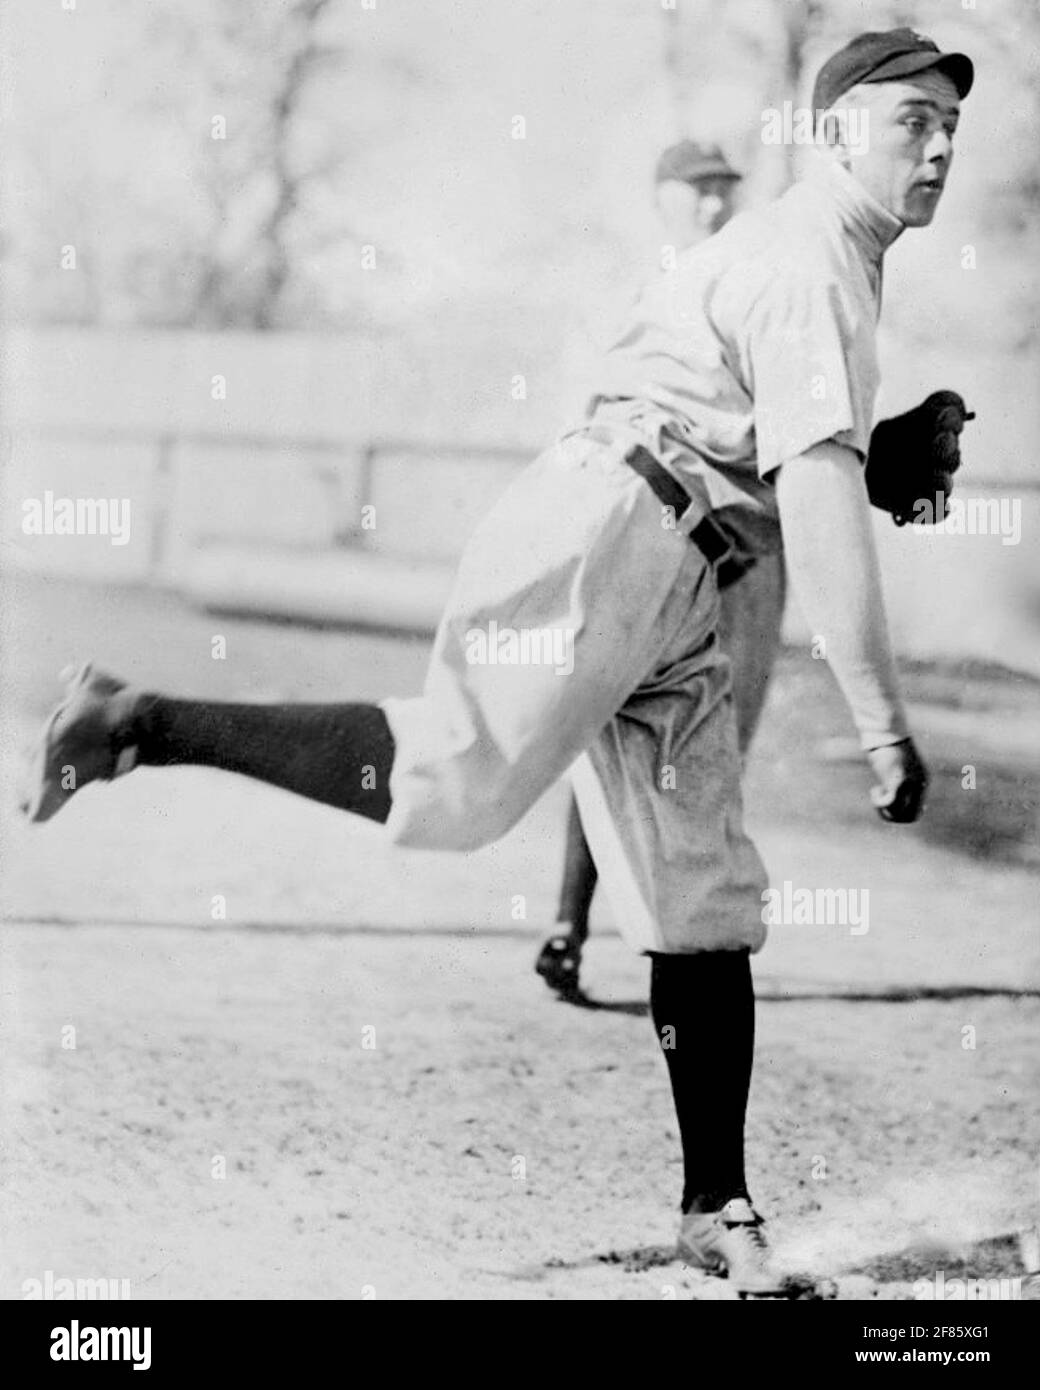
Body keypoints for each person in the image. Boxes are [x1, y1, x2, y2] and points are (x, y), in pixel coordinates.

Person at [23, 30, 974, 1296]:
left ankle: (714, 1203)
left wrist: (880, 445)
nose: (941, 143)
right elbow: (809, 494)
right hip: (610, 526)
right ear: (834, 132)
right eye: (909, 118)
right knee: (455, 783)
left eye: (948, 123)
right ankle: (136, 717)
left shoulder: (828, 262)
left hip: (690, 564)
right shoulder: (808, 256)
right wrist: (881, 724)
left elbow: (780, 445)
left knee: (703, 899)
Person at [535, 138, 790, 1002]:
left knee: (713, 748)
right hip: (651, 529)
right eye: (697, 190)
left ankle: (682, 952)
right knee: (600, 719)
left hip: (747, 547)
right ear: (662, 198)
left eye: (726, 189)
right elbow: (587, 415)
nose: (715, 205)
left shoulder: (763, 285)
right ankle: (569, 925)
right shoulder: (630, 292)